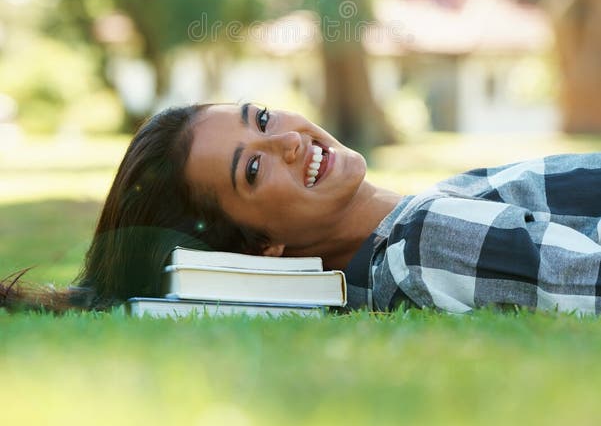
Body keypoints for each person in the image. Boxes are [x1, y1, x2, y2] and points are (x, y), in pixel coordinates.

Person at [4, 101, 601, 315]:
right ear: (263, 247)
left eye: (260, 119)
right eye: (254, 170)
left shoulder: (414, 215)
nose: (286, 140)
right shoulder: (420, 245)